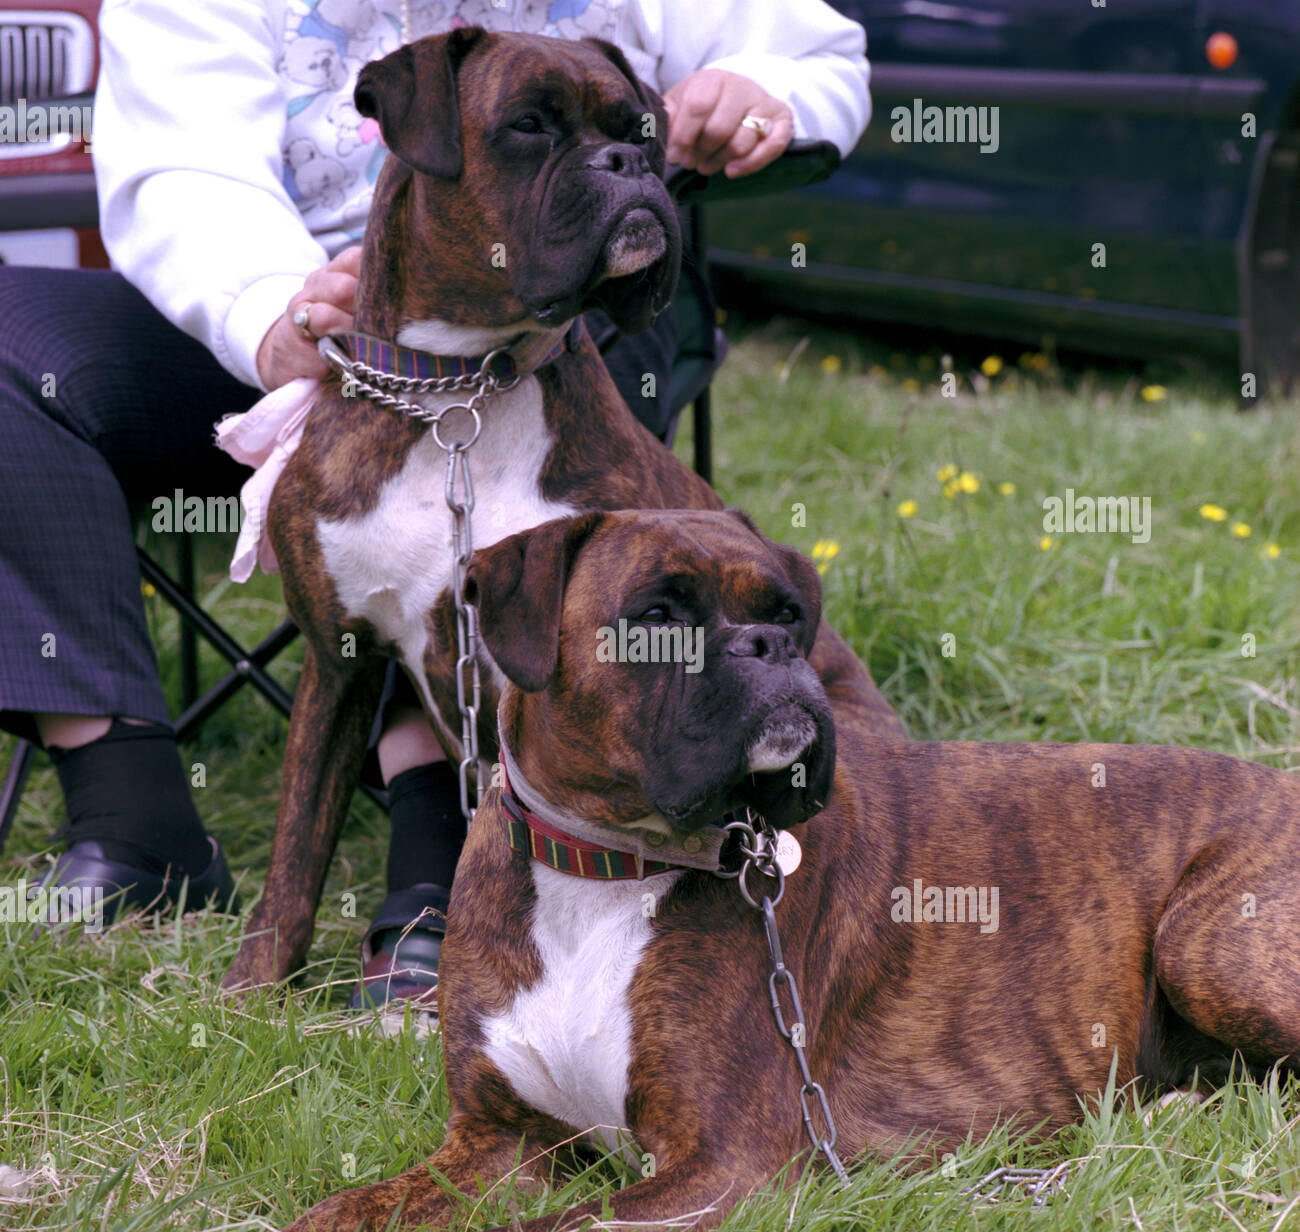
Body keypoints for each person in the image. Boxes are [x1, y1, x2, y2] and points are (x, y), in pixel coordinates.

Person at [0, 0, 871, 1008]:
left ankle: (436, 876)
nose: (614, 158)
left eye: (628, 141)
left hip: (565, 330)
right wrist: (266, 305)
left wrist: (767, 94)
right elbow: (178, 161)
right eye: (536, 127)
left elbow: (816, 51)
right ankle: (133, 817)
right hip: (281, 305)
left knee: (525, 567)